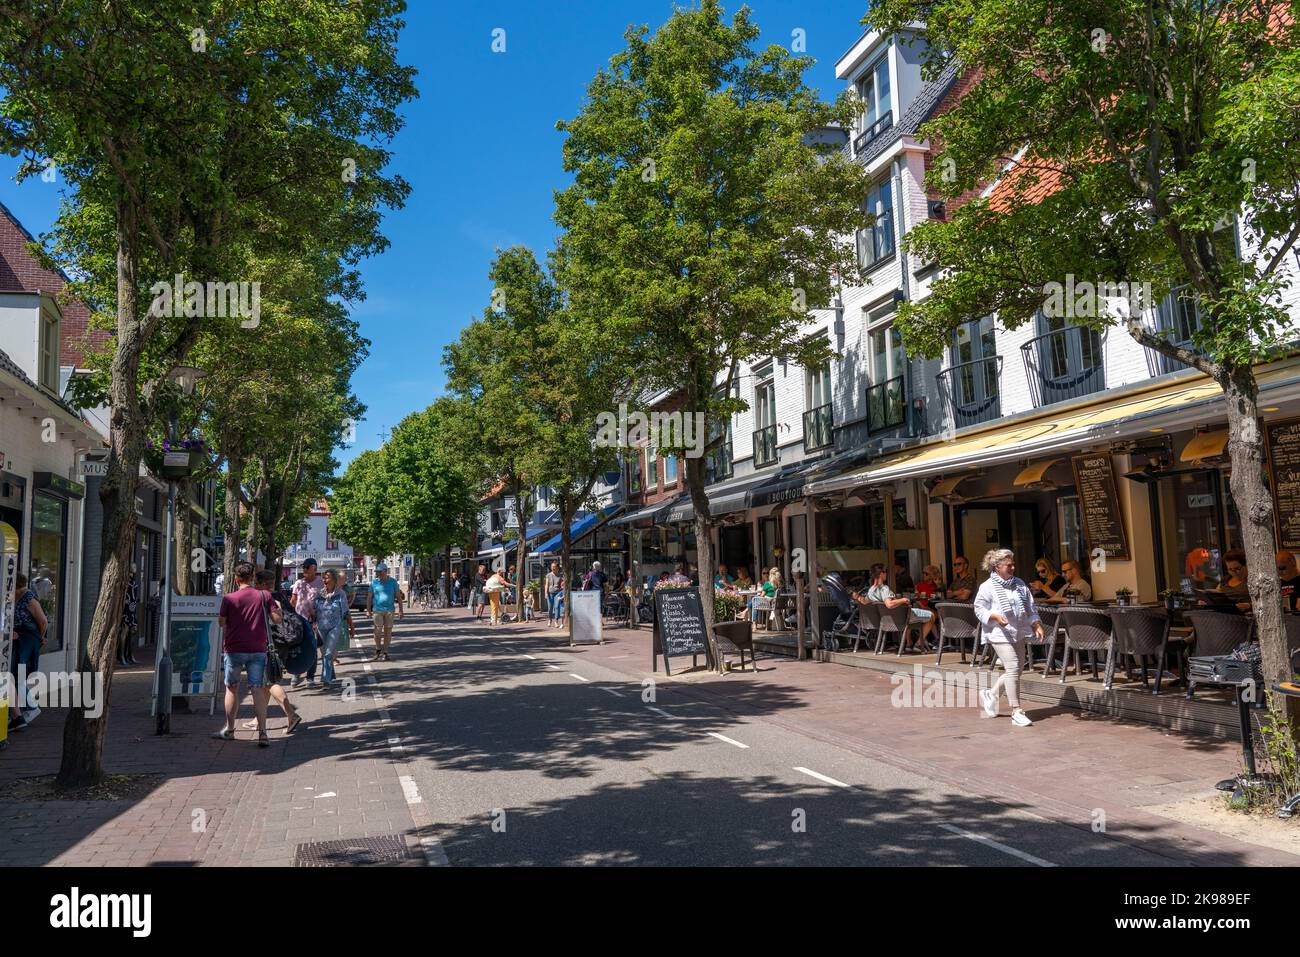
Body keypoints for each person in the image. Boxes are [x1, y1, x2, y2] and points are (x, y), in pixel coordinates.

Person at [973, 548, 1043, 726]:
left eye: (1013, 564)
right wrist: (994, 616)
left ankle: (992, 694)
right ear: (997, 566)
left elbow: (1030, 607)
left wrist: (1036, 624)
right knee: (1012, 667)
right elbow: (979, 608)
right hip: (998, 633)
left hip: (1018, 631)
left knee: (1017, 669)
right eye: (1008, 565)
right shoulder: (987, 586)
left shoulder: (1019, 584)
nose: (1012, 568)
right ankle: (1016, 711)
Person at [215, 562, 280, 746]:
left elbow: (221, 623)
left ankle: (230, 729)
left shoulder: (228, 598)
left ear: (236, 579)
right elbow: (276, 619)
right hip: (258, 648)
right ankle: (263, 733)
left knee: (232, 688)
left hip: (234, 649)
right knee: (257, 689)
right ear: (252, 577)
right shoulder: (264, 595)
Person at [7, 573, 48, 732]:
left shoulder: (29, 598)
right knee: (15, 674)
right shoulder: (15, 597)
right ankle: (21, 711)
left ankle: (25, 710)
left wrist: (40, 638)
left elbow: (43, 621)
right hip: (19, 639)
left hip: (27, 640)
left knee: (16, 673)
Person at [864, 562, 933, 652]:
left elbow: (866, 602)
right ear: (881, 573)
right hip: (900, 618)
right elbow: (889, 604)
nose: (887, 573)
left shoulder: (871, 590)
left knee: (909, 614)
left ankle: (909, 644)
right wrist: (903, 600)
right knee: (932, 615)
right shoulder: (884, 588)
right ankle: (919, 644)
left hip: (887, 619)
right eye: (885, 571)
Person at [314, 569, 353, 689]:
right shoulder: (319, 594)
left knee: (328, 653)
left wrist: (352, 627)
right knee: (325, 653)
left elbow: (346, 612)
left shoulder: (340, 594)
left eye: (327, 578)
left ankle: (325, 680)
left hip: (335, 627)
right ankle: (331, 674)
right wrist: (313, 622)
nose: (324, 580)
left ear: (334, 580)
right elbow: (314, 611)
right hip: (321, 627)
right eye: (323, 578)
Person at [290, 558, 324, 687]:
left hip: (314, 622)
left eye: (307, 567)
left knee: (312, 649)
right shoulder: (299, 583)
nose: (304, 569)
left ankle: (310, 677)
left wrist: (316, 612)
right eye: (303, 567)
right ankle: (296, 674)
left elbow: (325, 600)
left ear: (314, 568)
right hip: (299, 621)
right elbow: (293, 601)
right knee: (297, 648)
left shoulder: (321, 582)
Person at [366, 561, 403, 661]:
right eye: (377, 572)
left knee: (388, 631)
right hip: (377, 610)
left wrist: (401, 611)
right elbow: (369, 597)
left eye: (380, 572)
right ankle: (378, 648)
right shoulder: (374, 582)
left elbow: (399, 597)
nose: (378, 574)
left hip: (389, 610)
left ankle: (385, 652)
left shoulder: (393, 582)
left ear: (386, 571)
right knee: (377, 631)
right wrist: (368, 611)